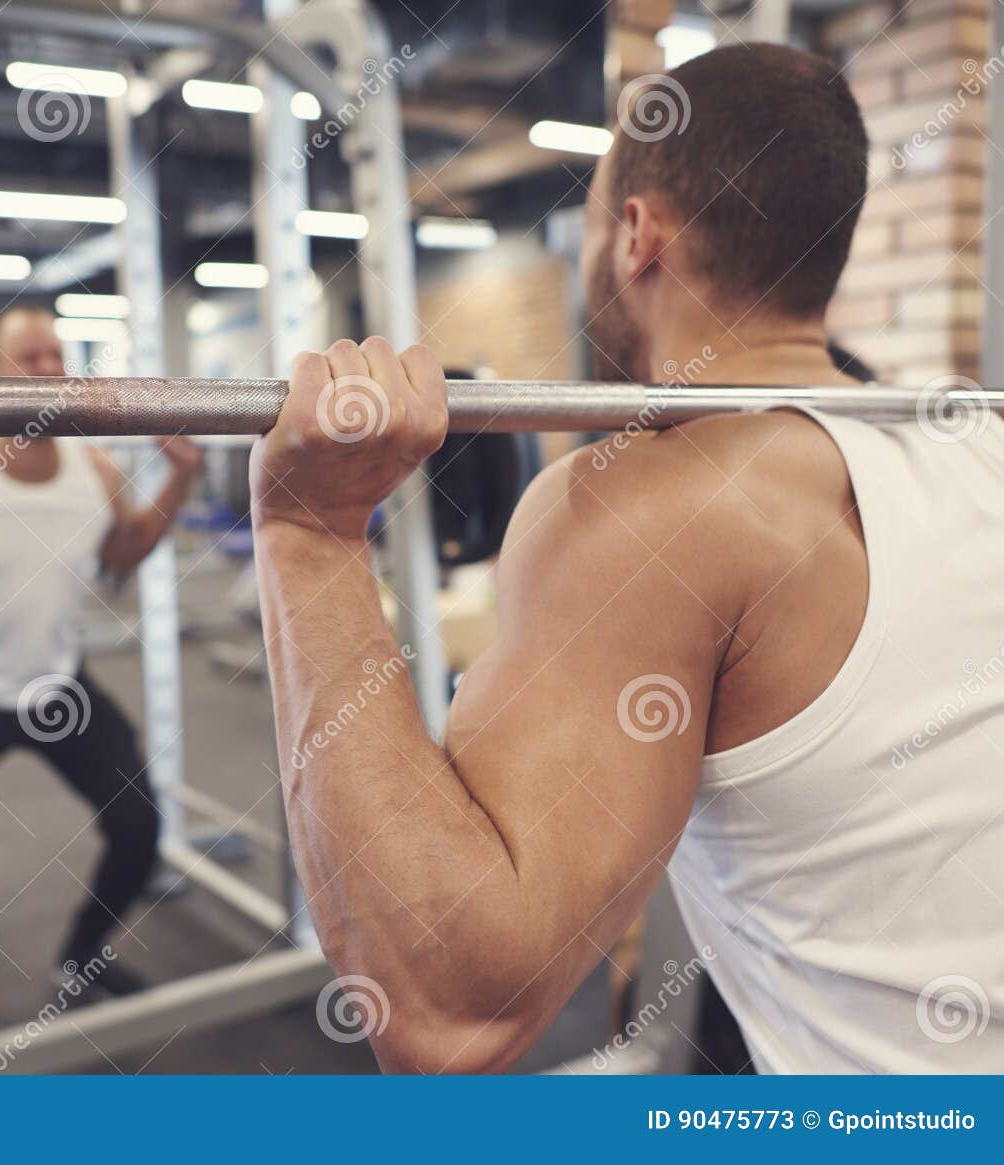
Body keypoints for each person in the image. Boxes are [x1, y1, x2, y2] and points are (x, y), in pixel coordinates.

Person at [249, 43, 1004, 1072]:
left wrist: (312, 536)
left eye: (598, 219)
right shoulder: (979, 441)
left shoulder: (646, 504)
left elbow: (450, 1010)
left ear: (639, 235)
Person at [0, 306, 203, 1024]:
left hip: (57, 686)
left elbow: (122, 552)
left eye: (57, 356)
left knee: (139, 826)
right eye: (30, 357)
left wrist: (180, 479)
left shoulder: (91, 462)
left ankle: (81, 956)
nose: (49, 369)